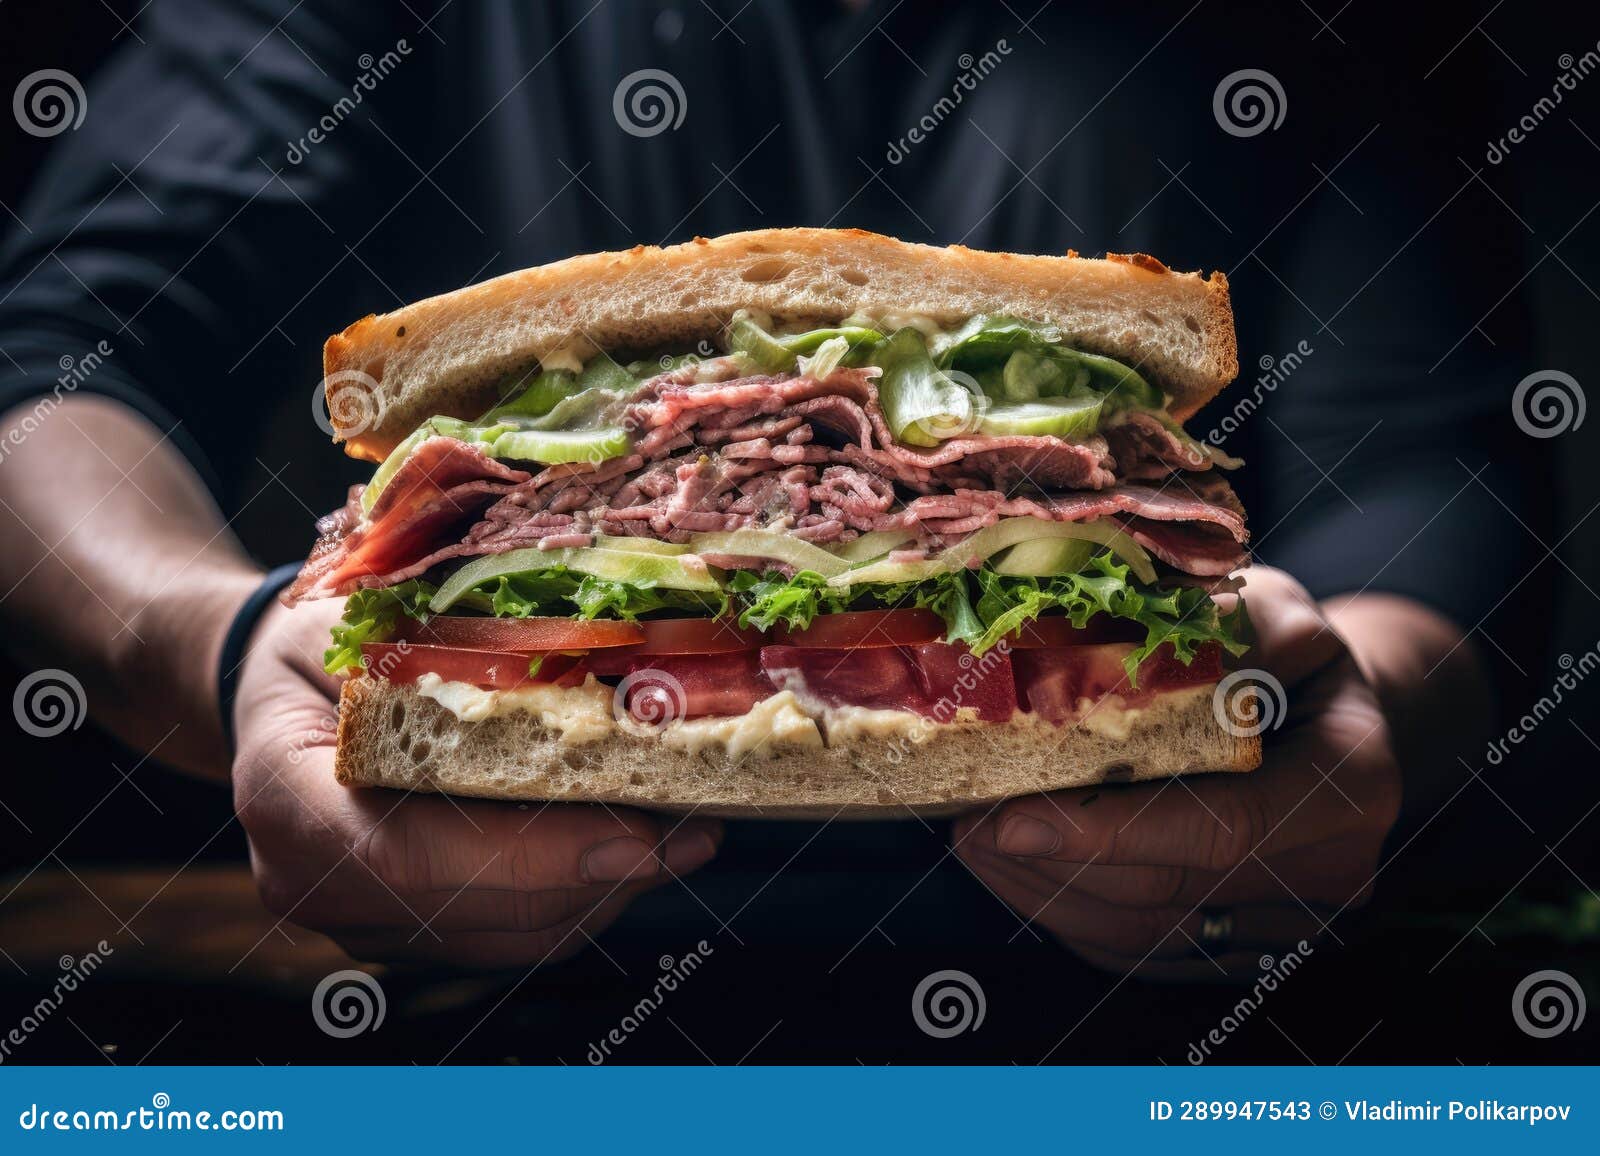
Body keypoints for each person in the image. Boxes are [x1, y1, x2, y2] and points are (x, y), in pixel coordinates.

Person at [0, 2, 1538, 975]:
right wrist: (226, 643)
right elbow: (58, 360)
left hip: (1183, 992)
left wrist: (1356, 714)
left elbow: (1423, 469)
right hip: (483, 1004)